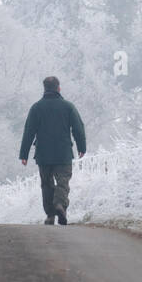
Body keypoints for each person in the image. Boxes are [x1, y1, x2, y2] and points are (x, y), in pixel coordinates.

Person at [19, 75, 86, 225]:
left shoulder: (36, 108)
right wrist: (82, 147)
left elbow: (28, 131)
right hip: (63, 152)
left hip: (43, 154)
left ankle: (50, 215)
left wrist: (24, 154)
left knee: (46, 183)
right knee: (63, 181)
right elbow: (78, 128)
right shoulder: (68, 107)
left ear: (44, 89)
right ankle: (60, 204)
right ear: (58, 88)